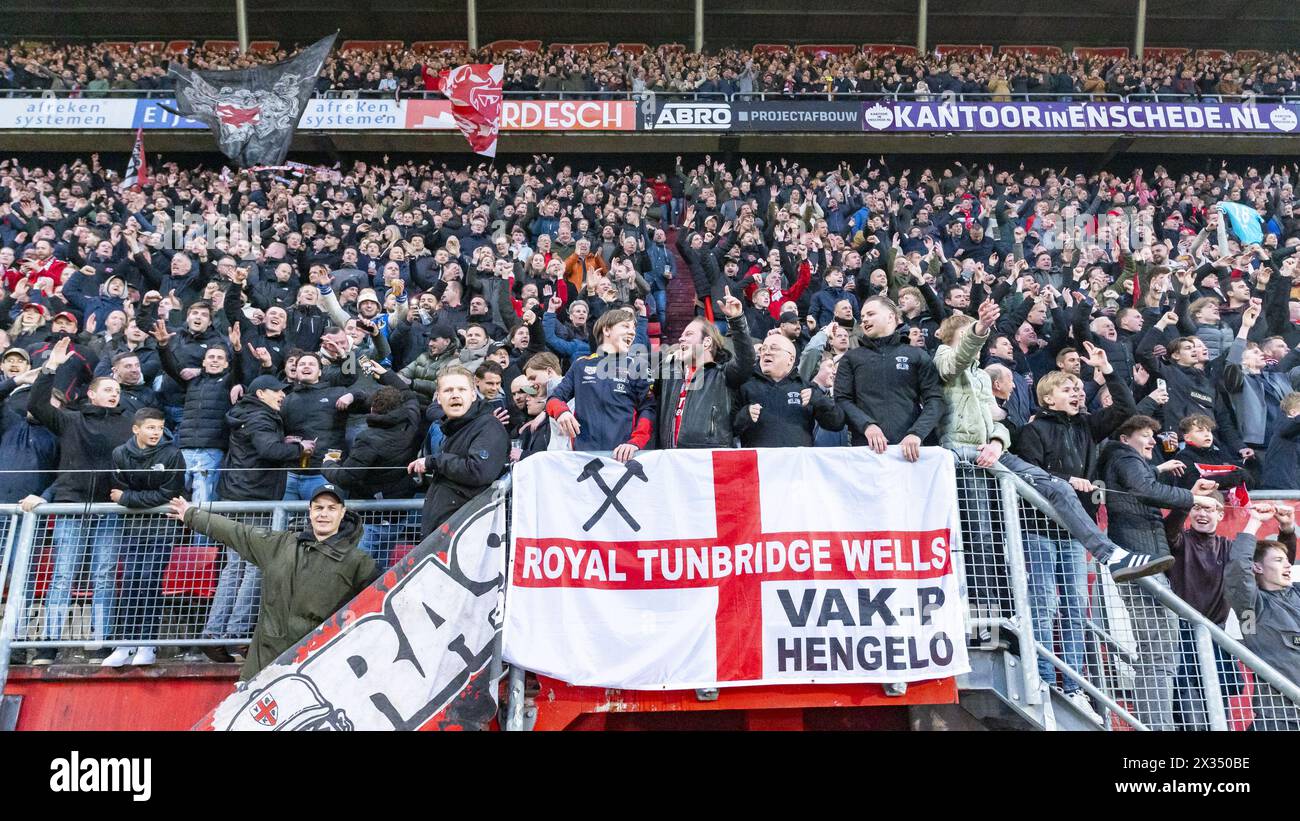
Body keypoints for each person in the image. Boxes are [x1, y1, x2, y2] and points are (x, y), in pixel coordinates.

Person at [167, 483, 378, 682]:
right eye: (319, 507)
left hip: (316, 671)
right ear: (309, 511)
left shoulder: (358, 563)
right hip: (262, 670)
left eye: (332, 508)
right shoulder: (281, 544)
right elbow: (236, 532)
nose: (324, 514)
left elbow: (384, 604)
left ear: (342, 513)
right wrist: (192, 515)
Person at [1097, 414, 1222, 730]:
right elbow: (1143, 488)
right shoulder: (1121, 454)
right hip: (1140, 565)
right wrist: (1194, 497)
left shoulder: (1129, 462)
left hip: (1148, 562)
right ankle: (1157, 727)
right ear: (1126, 439)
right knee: (1159, 657)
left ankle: (1157, 724)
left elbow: (1143, 488)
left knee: (1162, 657)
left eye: (1153, 435)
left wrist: (1181, 489)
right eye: (1145, 435)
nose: (1153, 440)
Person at [23, 337, 134, 665]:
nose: (114, 393)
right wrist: (50, 367)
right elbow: (38, 404)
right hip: (72, 506)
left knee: (103, 574)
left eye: (117, 391)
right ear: (91, 393)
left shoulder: (130, 424)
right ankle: (48, 645)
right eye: (108, 389)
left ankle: (100, 641)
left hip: (110, 508)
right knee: (63, 574)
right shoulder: (70, 419)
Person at [200, 374, 312, 662]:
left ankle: (214, 635)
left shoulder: (245, 414)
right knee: (255, 567)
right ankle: (237, 635)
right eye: (278, 392)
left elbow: (261, 446)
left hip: (236, 496)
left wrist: (281, 440)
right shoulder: (261, 417)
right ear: (261, 393)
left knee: (234, 568)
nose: (282, 397)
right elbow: (268, 450)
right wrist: (300, 449)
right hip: (254, 499)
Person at [102, 407, 186, 668]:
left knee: (150, 581)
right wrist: (131, 498)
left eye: (160, 428)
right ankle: (124, 644)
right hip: (132, 528)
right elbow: (116, 490)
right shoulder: (120, 454)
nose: (156, 433)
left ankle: (147, 644)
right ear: (136, 429)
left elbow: (168, 494)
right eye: (151, 427)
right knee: (130, 582)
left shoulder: (172, 454)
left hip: (161, 529)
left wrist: (129, 499)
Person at [323, 363, 423, 568]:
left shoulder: (368, 438)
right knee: (381, 569)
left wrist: (328, 464)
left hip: (372, 518)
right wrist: (386, 373)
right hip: (398, 511)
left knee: (358, 571)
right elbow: (409, 393)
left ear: (372, 408)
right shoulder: (412, 417)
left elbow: (346, 478)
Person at [833, 295, 944, 461]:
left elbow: (935, 399)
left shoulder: (917, 355)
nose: (864, 320)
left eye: (870, 314)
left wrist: (917, 433)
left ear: (891, 316)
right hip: (867, 451)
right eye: (862, 317)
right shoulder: (851, 358)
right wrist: (867, 425)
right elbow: (842, 399)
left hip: (912, 452)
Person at [407, 366, 510, 539]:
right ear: (438, 398)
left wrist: (434, 461)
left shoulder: (488, 425)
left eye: (461, 389)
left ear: (473, 395)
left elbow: (478, 471)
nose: (455, 395)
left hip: (469, 539)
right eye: (448, 390)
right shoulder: (454, 429)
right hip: (446, 536)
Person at [1225, 502, 1300, 730]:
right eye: (1279, 561)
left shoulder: (1296, 591)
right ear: (1256, 568)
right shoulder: (1252, 606)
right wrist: (1255, 521)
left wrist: (1287, 530)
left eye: (1288, 561)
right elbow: (1239, 567)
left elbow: (1282, 558)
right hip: (1280, 719)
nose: (1288, 566)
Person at [546, 307, 655, 462]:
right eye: (625, 326)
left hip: (624, 458)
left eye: (634, 329)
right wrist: (562, 412)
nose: (632, 332)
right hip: (584, 459)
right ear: (607, 330)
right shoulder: (580, 365)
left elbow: (648, 409)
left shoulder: (639, 366)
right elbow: (553, 399)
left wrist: (635, 442)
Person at [656, 288, 753, 449]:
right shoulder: (670, 374)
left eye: (688, 334)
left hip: (709, 460)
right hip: (671, 462)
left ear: (707, 342)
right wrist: (666, 362)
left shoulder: (723, 374)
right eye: (682, 335)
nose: (681, 338)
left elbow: (746, 360)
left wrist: (736, 320)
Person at [735, 332, 842, 447]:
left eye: (774, 348)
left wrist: (820, 401)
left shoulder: (806, 388)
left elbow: (836, 423)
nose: (766, 352)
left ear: (790, 359)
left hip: (797, 462)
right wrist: (744, 415)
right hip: (760, 463)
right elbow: (727, 429)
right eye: (763, 349)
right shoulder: (745, 386)